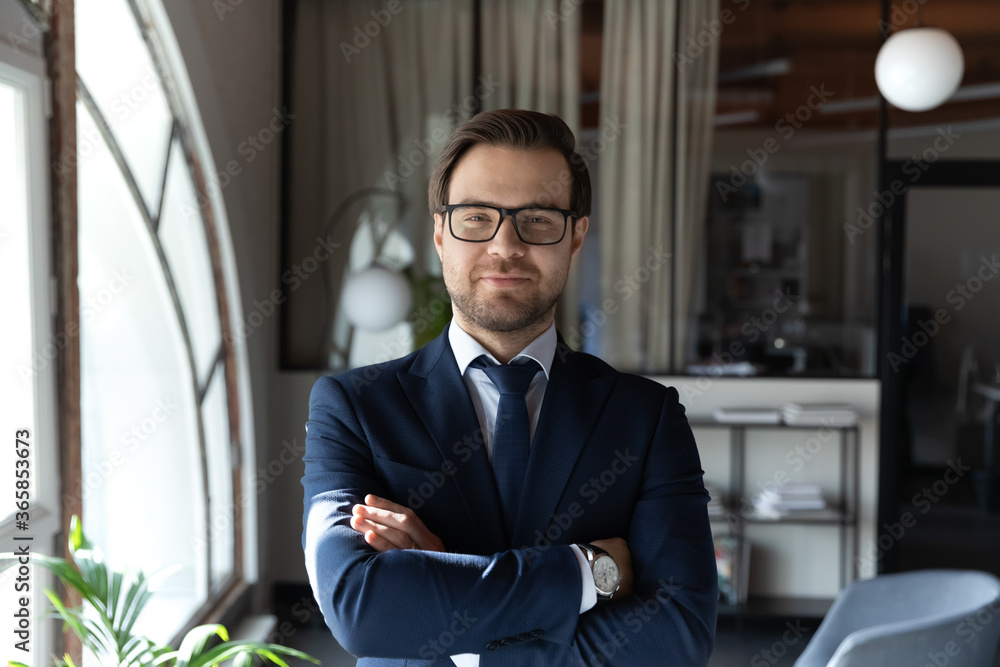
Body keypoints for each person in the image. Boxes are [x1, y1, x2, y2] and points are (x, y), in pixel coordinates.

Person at [302, 109, 717, 666]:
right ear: (439, 233)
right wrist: (592, 570)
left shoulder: (647, 417)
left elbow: (678, 635)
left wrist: (455, 614)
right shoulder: (353, 408)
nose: (505, 246)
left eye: (538, 219)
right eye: (476, 217)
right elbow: (363, 607)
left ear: (575, 236)